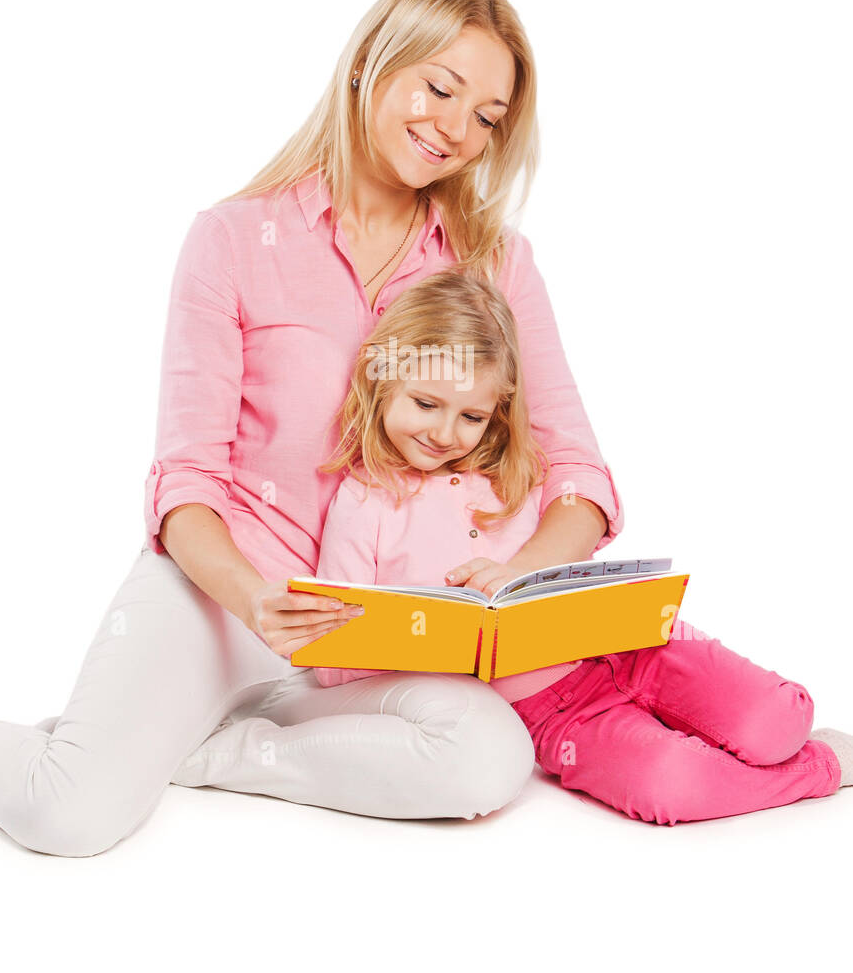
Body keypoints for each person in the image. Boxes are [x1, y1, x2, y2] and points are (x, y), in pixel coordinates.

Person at [0, 0, 623, 856]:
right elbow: (186, 479)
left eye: (486, 116)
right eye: (440, 87)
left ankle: (211, 749)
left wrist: (522, 577)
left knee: (484, 760)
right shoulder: (234, 239)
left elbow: (580, 475)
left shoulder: (498, 264)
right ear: (370, 61)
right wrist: (253, 599)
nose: (455, 129)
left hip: (383, 637)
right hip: (228, 590)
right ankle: (159, 720)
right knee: (70, 813)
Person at [241, 268, 849, 827]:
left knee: (780, 718)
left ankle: (779, 748)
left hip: (639, 647)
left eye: (472, 416)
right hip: (557, 716)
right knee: (671, 784)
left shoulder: (520, 473)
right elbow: (335, 663)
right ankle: (821, 771)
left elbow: (584, 517)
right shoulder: (365, 501)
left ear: (497, 411)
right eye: (426, 404)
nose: (445, 434)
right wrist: (436, 629)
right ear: (382, 382)